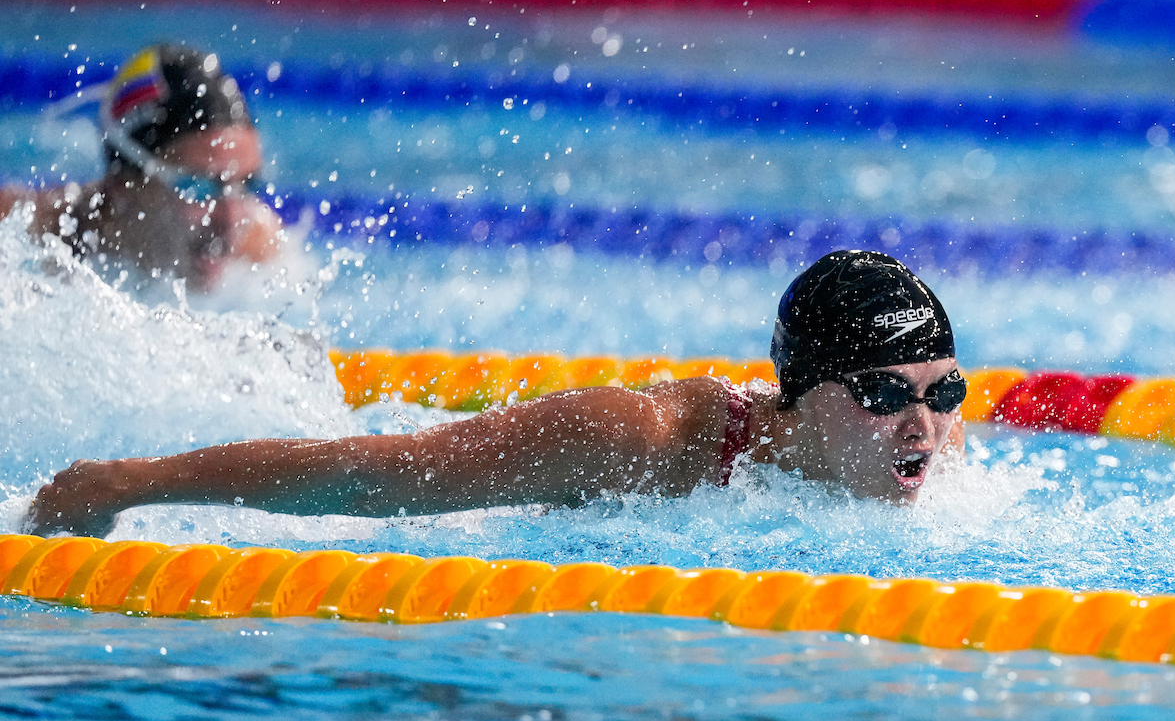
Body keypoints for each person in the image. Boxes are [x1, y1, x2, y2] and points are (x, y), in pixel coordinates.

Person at [28, 250, 967, 538]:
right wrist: (129, 482)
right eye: (885, 392)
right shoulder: (638, 439)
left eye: (945, 389)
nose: (923, 422)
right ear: (798, 396)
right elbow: (377, 476)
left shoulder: (929, 448)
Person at [0, 44, 284, 292]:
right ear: (125, 183)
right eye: (199, 188)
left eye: (246, 185)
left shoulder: (260, 246)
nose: (232, 219)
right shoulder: (23, 230)